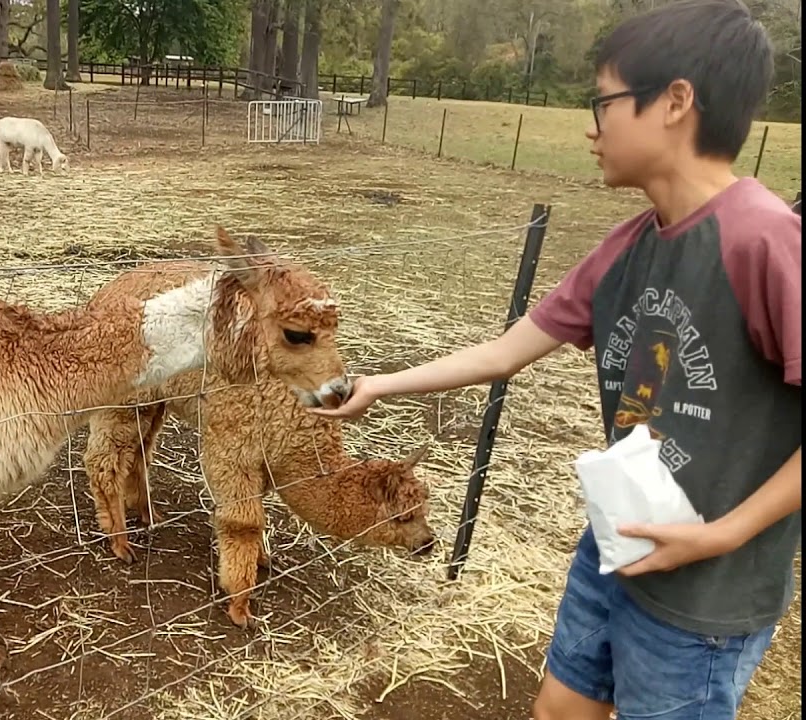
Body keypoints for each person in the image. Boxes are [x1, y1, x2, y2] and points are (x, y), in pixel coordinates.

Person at [310, 1, 802, 718]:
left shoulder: (764, 242)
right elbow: (507, 351)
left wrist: (718, 535)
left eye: (603, 103)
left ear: (675, 102)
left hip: (706, 596)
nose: (590, 127)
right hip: (616, 545)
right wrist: (379, 386)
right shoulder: (626, 248)